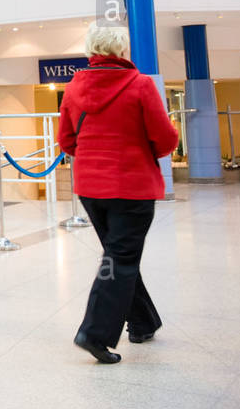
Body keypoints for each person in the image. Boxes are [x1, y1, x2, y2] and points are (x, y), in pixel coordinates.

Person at [58, 22, 179, 365]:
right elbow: (166, 140)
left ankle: (143, 322)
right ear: (122, 51)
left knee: (119, 255)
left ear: (92, 52)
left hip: (90, 189)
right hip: (131, 188)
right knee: (120, 259)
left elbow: (67, 141)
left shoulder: (73, 87)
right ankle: (93, 333)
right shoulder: (140, 85)